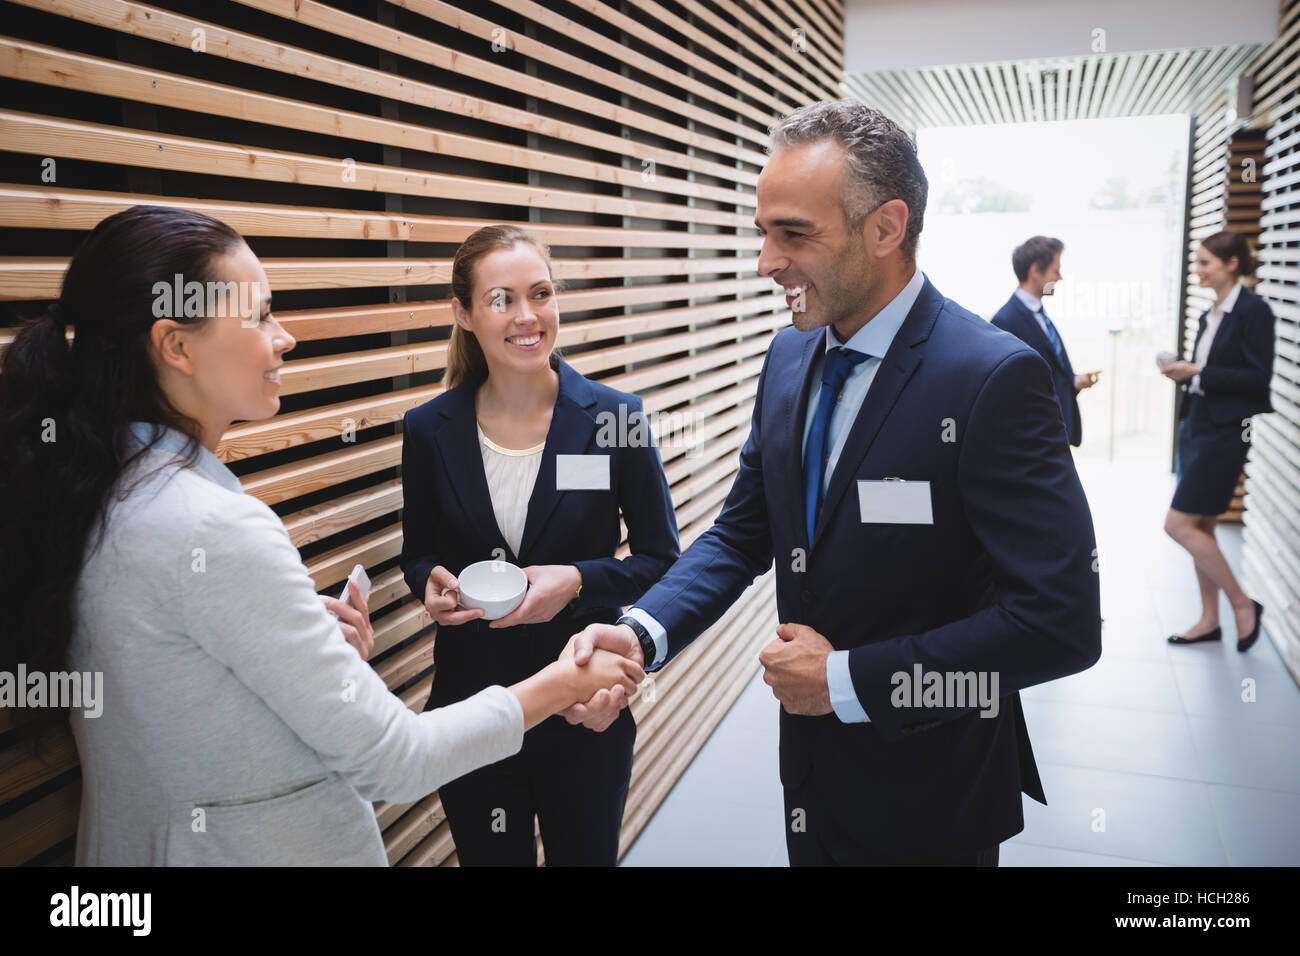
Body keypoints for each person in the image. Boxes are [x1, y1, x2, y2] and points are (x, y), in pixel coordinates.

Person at [0, 206, 643, 866]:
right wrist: (563, 679)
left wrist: (312, 658)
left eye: (541, 293)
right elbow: (398, 757)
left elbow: (185, 695)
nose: (285, 338)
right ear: (177, 345)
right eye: (259, 315)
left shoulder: (95, 488)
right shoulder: (219, 520)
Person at [559, 100, 1103, 866]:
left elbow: (1062, 624)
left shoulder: (992, 378)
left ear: (886, 228)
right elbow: (745, 531)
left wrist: (847, 679)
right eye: (763, 233)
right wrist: (642, 631)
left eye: (794, 235)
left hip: (934, 795)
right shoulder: (789, 357)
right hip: (812, 779)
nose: (766, 264)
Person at [400, 225, 679, 866]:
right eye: (501, 299)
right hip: (471, 713)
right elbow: (418, 553)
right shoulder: (428, 430)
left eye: (541, 293)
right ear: (464, 314)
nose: (526, 316)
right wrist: (430, 586)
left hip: (583, 709)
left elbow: (662, 561)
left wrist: (578, 581)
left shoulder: (616, 421)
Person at [1160, 231, 1273, 652]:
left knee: (1178, 524)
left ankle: (1242, 604)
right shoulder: (1212, 314)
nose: (1199, 270)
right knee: (1201, 525)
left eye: (1206, 262)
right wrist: (1187, 372)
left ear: (1231, 264)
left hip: (1225, 432)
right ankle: (1209, 620)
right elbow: (1207, 369)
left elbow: (1257, 379)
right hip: (1197, 424)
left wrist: (1197, 373)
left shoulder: (1254, 312)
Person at [990, 236, 1100, 447]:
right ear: (1035, 271)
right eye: (1055, 271)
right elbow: (1007, 390)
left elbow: (1046, 375)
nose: (1060, 278)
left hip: (1053, 435)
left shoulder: (1040, 315)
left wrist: (1075, 381)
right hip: (1032, 440)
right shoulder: (1005, 321)